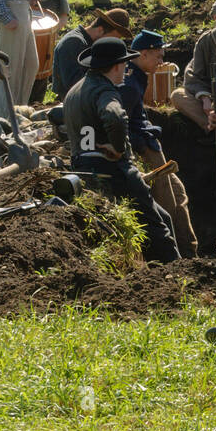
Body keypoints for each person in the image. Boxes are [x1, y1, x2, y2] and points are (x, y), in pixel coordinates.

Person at [63, 37, 180, 263]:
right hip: (114, 170)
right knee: (158, 227)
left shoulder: (75, 90)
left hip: (82, 168)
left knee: (163, 217)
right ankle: (178, 275)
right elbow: (115, 117)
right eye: (125, 65)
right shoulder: (105, 91)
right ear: (117, 66)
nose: (126, 70)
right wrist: (117, 148)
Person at [121, 30, 199, 256]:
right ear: (143, 54)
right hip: (146, 150)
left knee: (179, 195)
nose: (161, 61)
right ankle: (175, 256)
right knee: (167, 204)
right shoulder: (129, 83)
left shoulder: (136, 76)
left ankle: (190, 252)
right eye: (158, 56)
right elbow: (122, 123)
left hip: (151, 145)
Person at [171, 0, 216, 132]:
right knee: (178, 96)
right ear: (215, 17)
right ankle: (213, 128)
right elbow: (194, 73)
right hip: (210, 97)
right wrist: (205, 97)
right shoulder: (205, 41)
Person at [53, 7, 134, 99]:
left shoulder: (89, 43)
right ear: (100, 30)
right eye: (113, 38)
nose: (113, 42)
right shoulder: (74, 42)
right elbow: (74, 84)